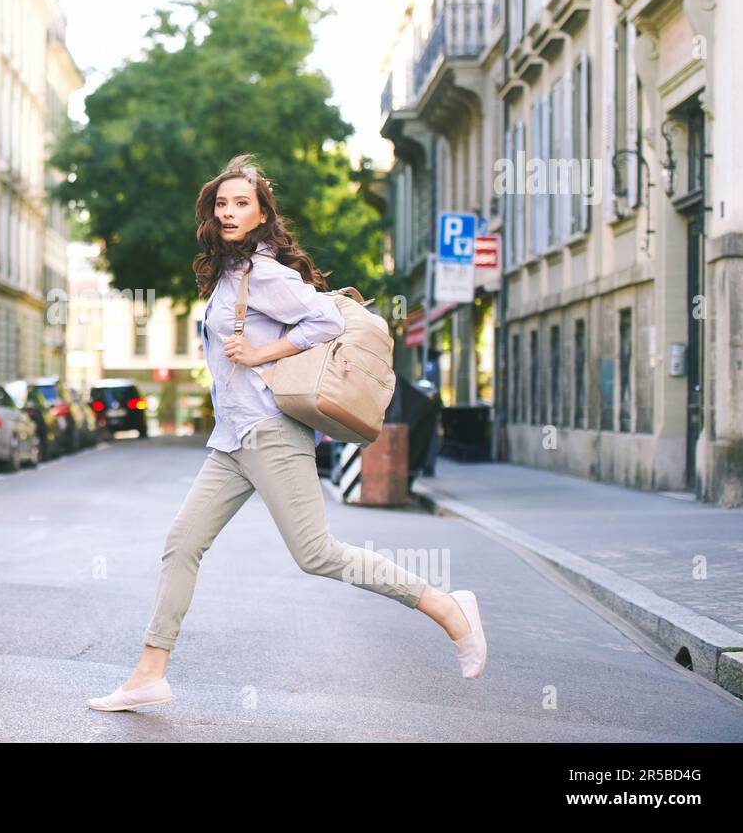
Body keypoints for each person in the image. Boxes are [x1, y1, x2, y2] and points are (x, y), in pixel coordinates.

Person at [87, 154, 487, 712]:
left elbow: (326, 320)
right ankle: (149, 672)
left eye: (241, 204)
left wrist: (260, 354)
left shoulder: (266, 274)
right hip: (232, 441)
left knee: (317, 554)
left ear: (261, 213)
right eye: (221, 203)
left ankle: (445, 606)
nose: (228, 211)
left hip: (271, 433)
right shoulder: (231, 273)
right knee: (182, 544)